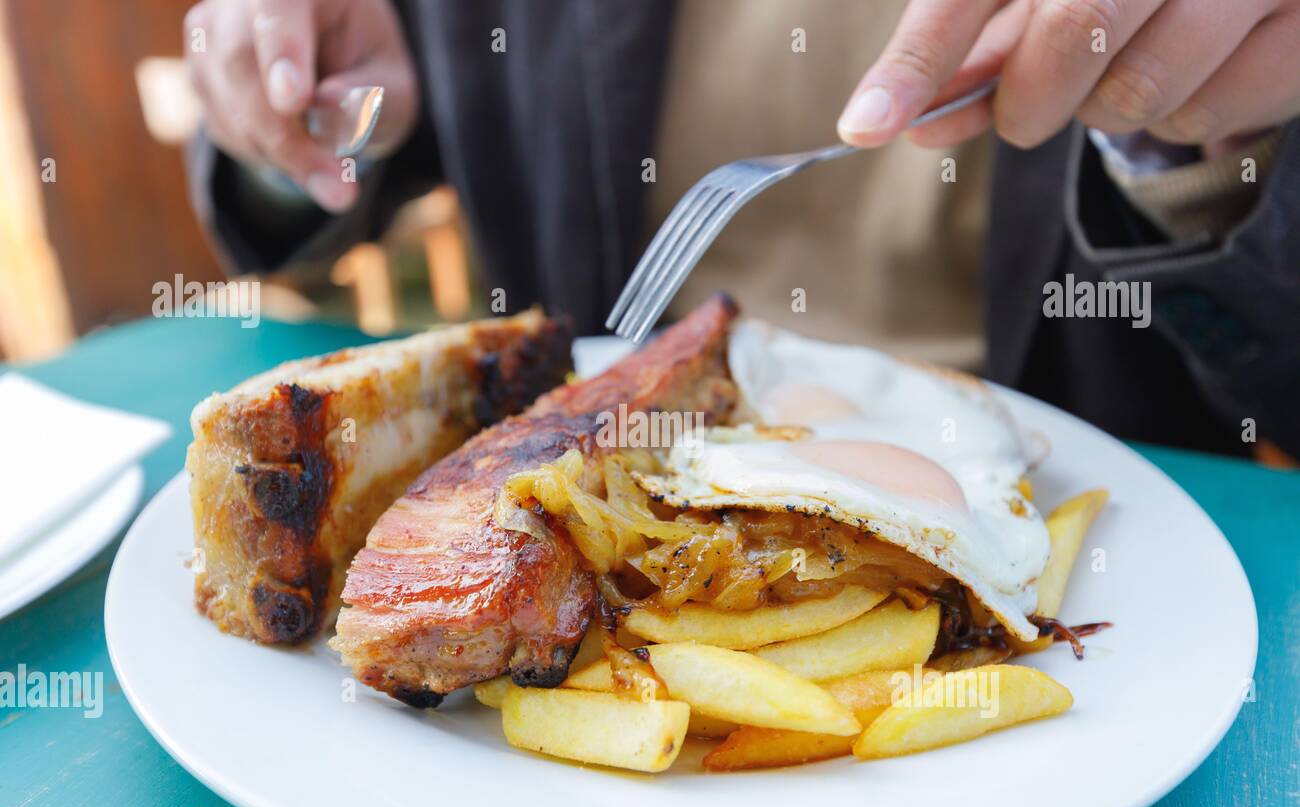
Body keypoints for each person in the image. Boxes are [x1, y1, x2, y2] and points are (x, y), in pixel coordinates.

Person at [183, 0, 1300, 458]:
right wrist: (326, 113)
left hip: (1112, 505)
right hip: (621, 459)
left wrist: (1185, 143)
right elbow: (338, 150)